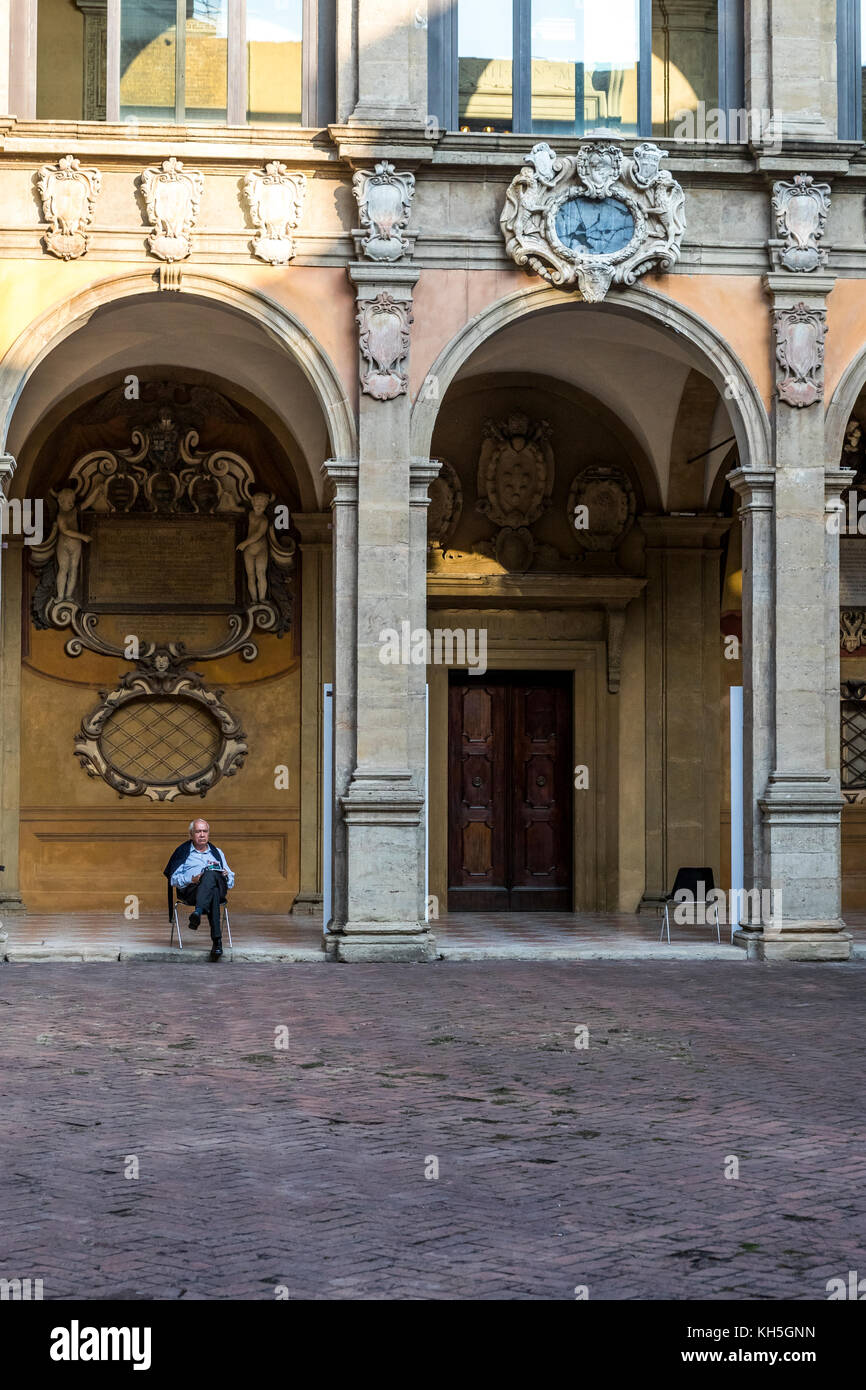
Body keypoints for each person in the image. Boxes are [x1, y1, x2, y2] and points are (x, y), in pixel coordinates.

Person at [163, 818, 234, 961]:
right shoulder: (183, 852)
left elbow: (231, 881)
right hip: (192, 892)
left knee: (211, 874)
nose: (202, 834)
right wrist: (192, 879)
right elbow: (173, 879)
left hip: (217, 889)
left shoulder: (217, 852)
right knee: (212, 889)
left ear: (208, 834)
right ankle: (217, 942)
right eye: (198, 831)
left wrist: (226, 876)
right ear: (191, 834)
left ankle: (198, 911)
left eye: (205, 831)